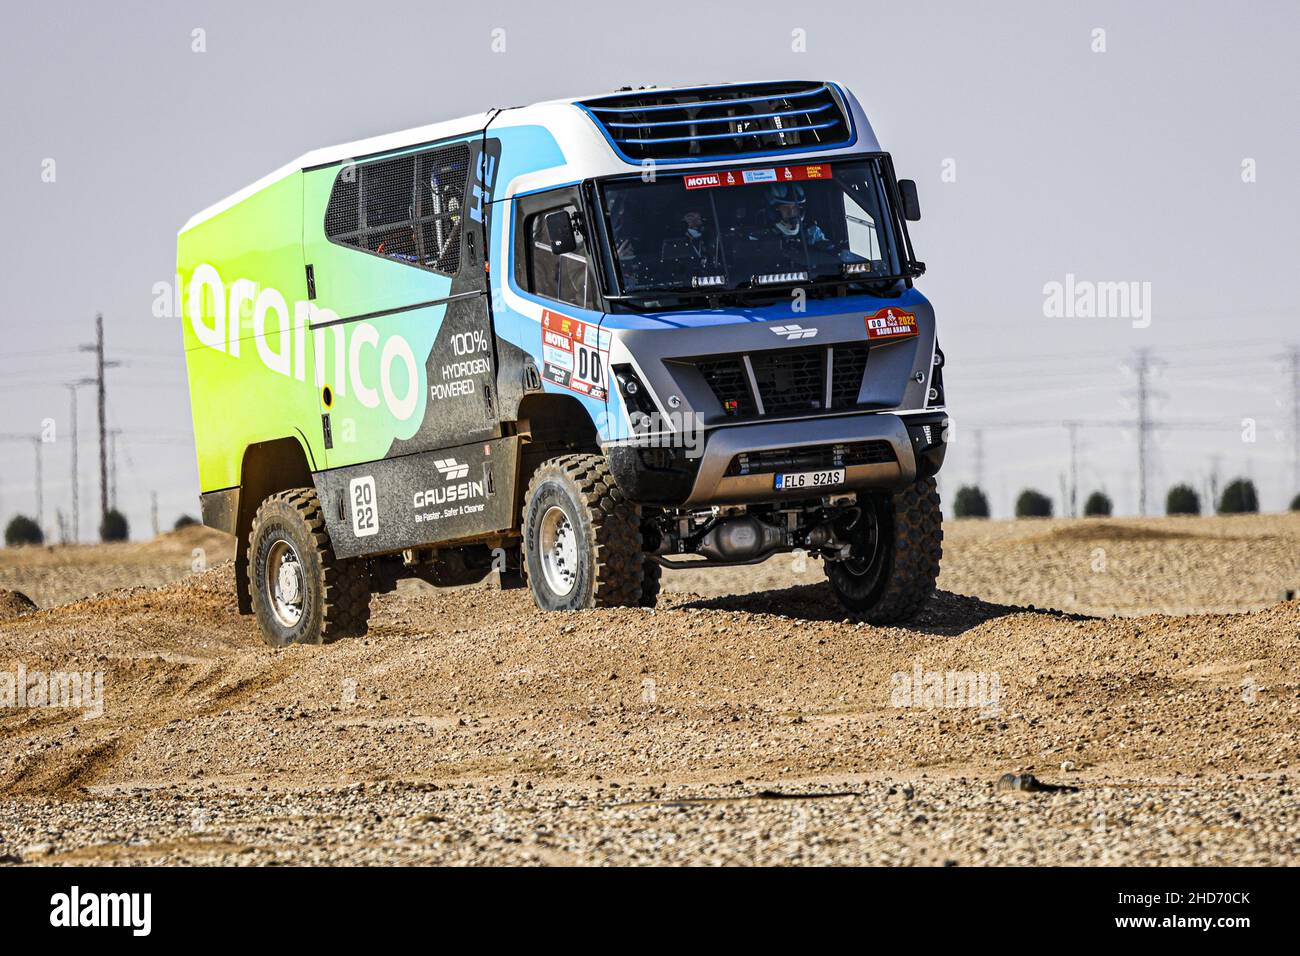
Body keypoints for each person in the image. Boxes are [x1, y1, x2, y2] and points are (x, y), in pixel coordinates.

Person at [764, 183, 832, 249]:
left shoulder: (811, 231)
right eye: (785, 208)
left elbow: (827, 247)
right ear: (774, 212)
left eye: (795, 208)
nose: (791, 212)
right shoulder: (764, 234)